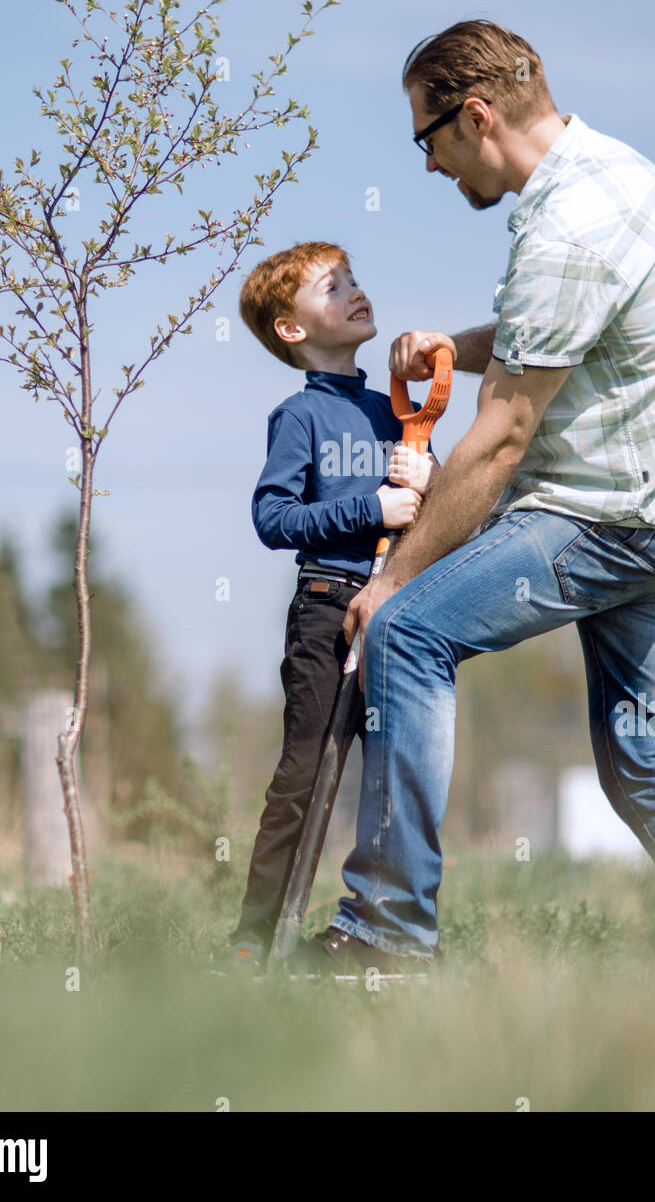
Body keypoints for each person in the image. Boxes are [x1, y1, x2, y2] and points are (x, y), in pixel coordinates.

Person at [301, 20, 655, 994]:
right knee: (644, 765)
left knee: (404, 635)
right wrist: (454, 342)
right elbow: (565, 332)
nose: (431, 166)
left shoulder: (564, 230)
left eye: (427, 139)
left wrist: (391, 580)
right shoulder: (619, 178)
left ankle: (387, 936)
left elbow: (496, 443)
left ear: (475, 116)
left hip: (597, 525)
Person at [214, 240, 436, 973]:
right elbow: (273, 519)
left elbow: (422, 515)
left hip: (395, 610)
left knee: (391, 779)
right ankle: (254, 943)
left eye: (354, 279)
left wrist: (424, 482)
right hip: (326, 605)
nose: (353, 292)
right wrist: (370, 504)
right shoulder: (300, 416)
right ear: (291, 329)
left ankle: (376, 940)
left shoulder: (392, 411)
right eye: (330, 287)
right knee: (305, 774)